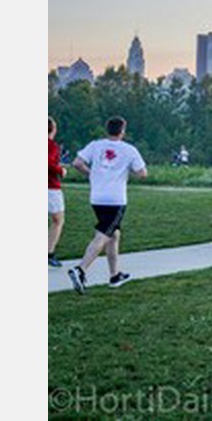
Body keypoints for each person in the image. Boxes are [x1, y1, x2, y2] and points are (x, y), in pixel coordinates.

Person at [66, 116, 148, 294]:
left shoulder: (95, 145)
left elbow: (77, 163)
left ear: (107, 129)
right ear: (123, 131)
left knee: (113, 234)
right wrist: (126, 172)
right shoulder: (129, 150)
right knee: (103, 235)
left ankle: (114, 275)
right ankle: (80, 270)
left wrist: (92, 174)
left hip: (97, 197)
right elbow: (142, 173)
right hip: (115, 199)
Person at [48, 117, 67, 267]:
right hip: (50, 187)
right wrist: (61, 170)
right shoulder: (52, 146)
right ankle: (49, 252)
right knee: (58, 220)